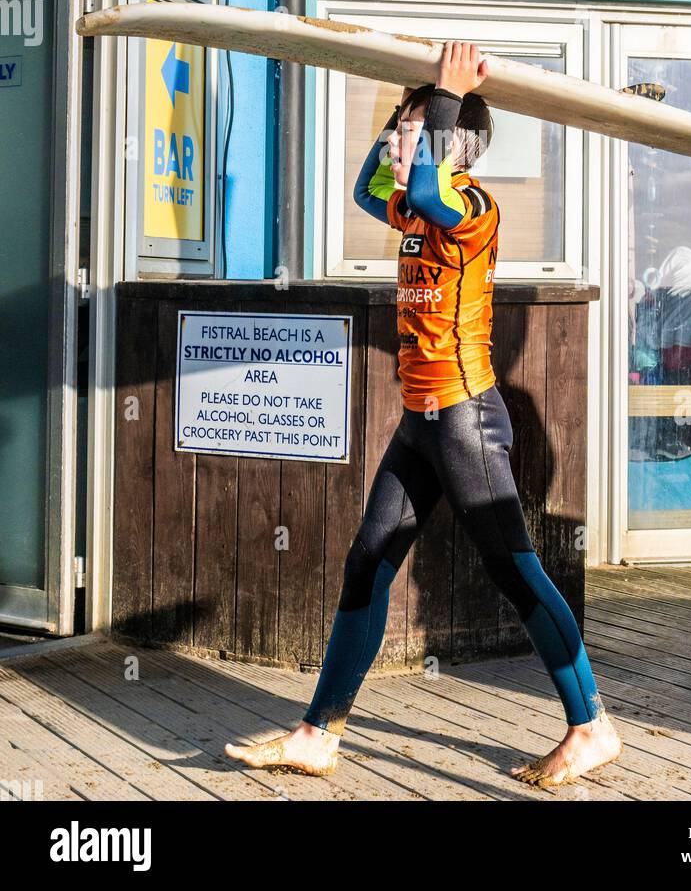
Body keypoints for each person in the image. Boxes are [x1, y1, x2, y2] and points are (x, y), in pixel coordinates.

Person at [225, 41, 621, 789]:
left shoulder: (467, 207)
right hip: (422, 422)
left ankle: (591, 724)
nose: (400, 148)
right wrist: (401, 108)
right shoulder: (414, 210)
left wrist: (441, 98)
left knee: (517, 572)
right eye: (404, 134)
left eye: (411, 136)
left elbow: (433, 184)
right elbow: (366, 191)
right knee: (367, 562)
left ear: (450, 147)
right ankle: (317, 733)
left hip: (467, 421)